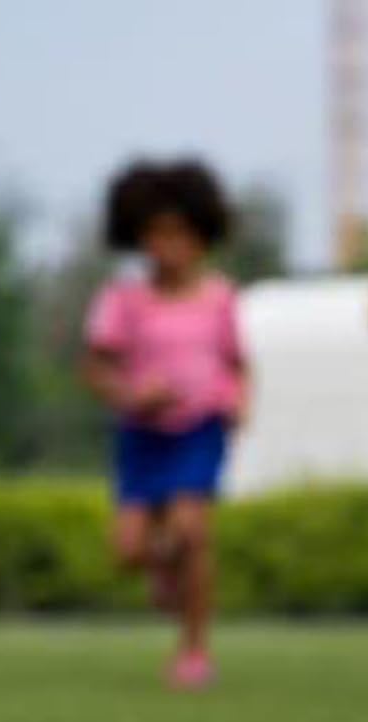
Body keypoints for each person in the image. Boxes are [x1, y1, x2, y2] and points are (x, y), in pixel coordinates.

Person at [84, 159, 250, 691]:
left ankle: (194, 650)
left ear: (202, 236)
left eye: (179, 234)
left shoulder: (220, 297)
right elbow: (95, 367)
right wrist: (132, 393)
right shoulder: (123, 300)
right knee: (129, 549)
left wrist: (240, 400)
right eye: (155, 235)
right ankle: (160, 567)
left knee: (191, 530)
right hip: (141, 433)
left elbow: (238, 362)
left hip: (200, 428)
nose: (167, 247)